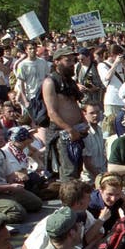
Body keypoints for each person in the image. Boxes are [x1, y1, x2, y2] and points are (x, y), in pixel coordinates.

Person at [41, 47, 86, 181]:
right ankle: (69, 201)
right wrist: (69, 129)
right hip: (63, 133)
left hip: (77, 130)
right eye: (68, 60)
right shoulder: (50, 82)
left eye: (73, 60)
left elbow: (75, 105)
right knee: (69, 172)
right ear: (57, 62)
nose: (72, 63)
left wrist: (84, 122)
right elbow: (52, 112)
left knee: (78, 169)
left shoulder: (69, 82)